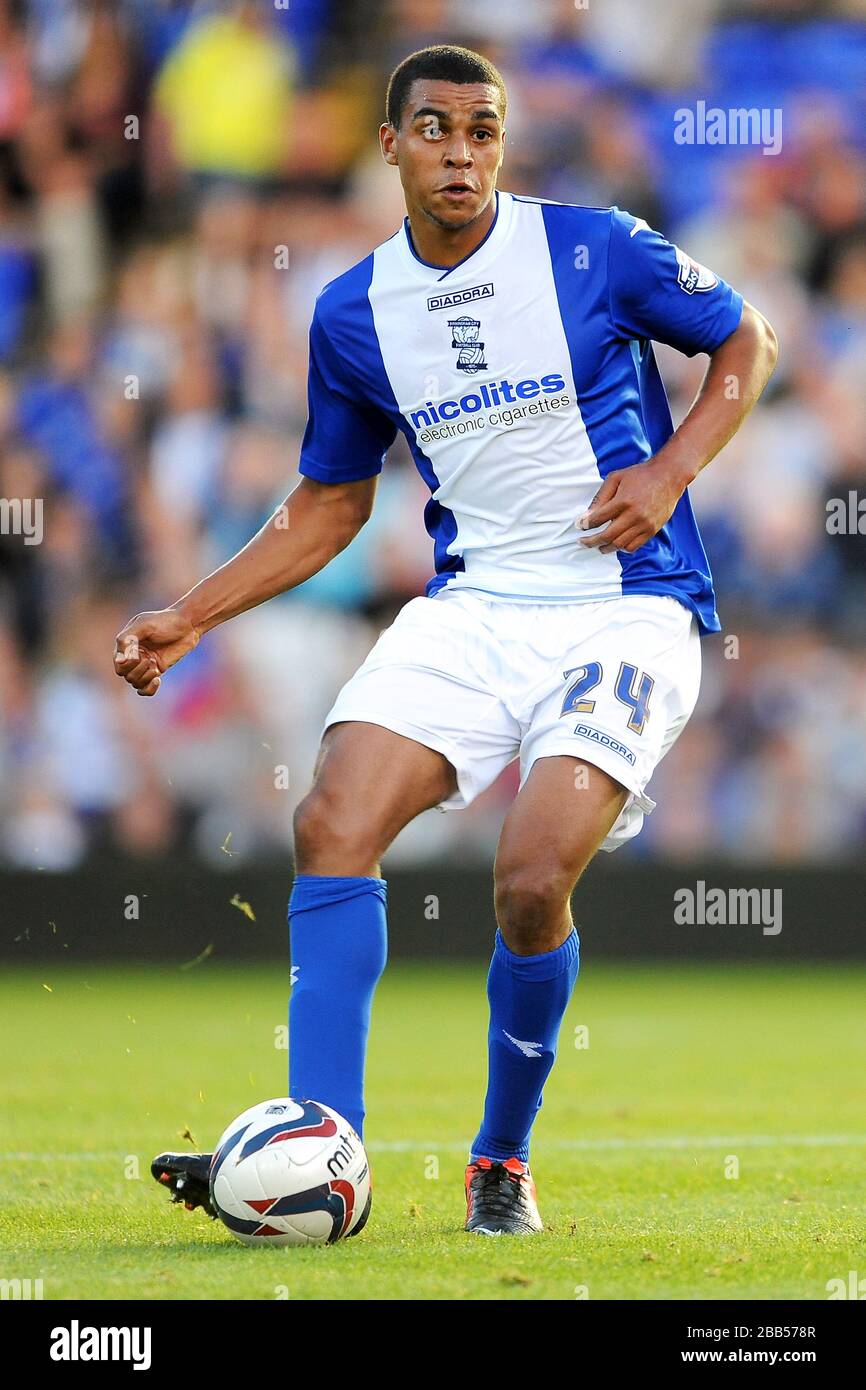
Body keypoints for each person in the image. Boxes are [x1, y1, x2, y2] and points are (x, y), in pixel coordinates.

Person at [116, 45, 778, 1237]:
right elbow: (328, 504)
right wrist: (193, 611)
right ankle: (325, 1150)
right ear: (389, 146)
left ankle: (499, 1159)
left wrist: (670, 469)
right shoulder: (353, 309)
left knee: (528, 883)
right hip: (472, 609)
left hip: (624, 603)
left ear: (501, 144)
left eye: (482, 129)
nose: (460, 152)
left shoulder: (594, 248)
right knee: (330, 820)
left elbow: (747, 344)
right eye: (434, 129)